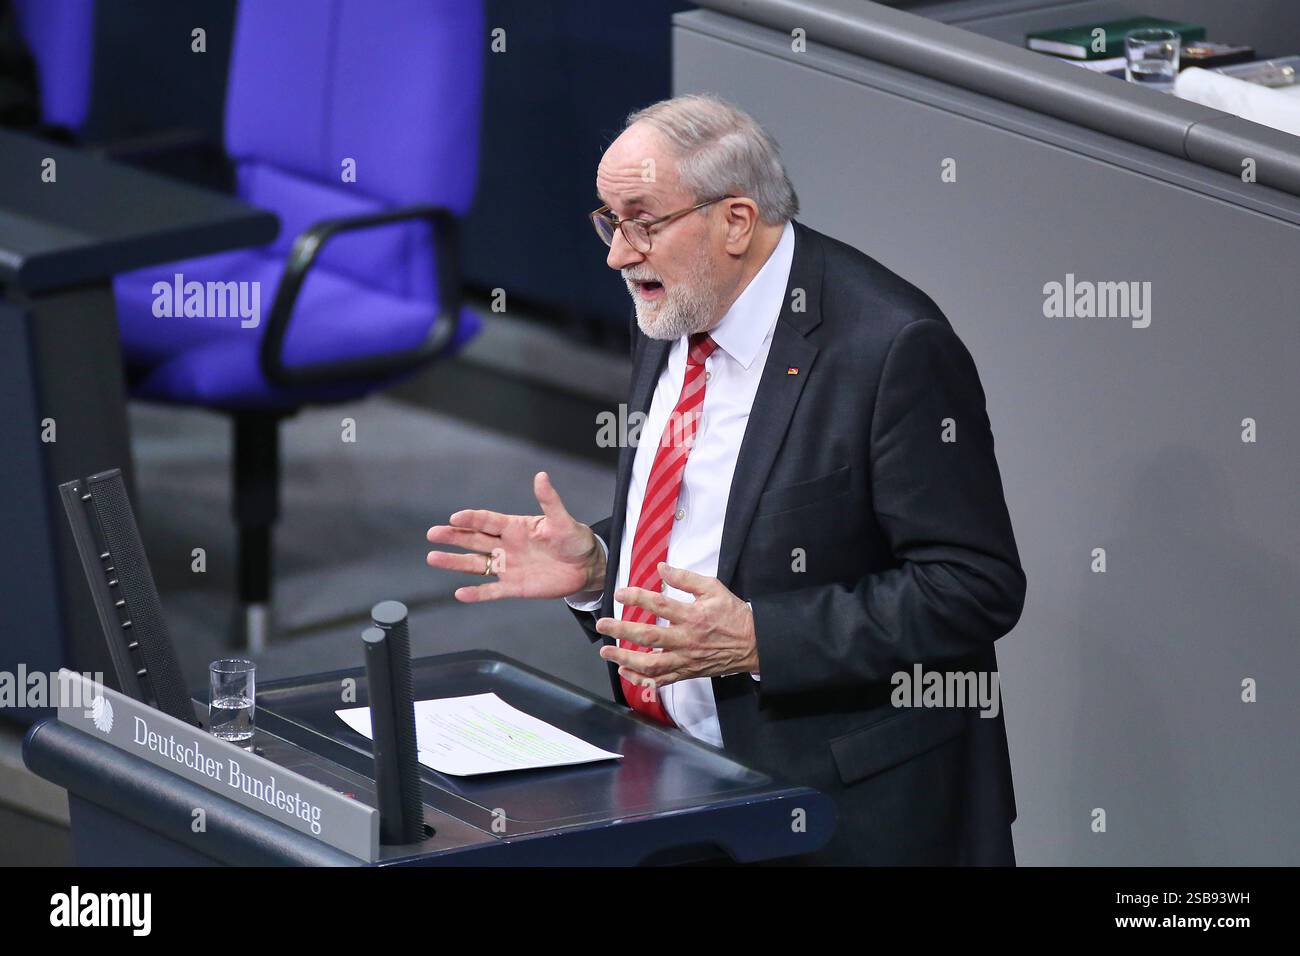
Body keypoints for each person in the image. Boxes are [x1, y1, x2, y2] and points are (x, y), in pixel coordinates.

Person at [426, 93, 1026, 865]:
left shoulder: (892, 348)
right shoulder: (674, 305)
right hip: (680, 785)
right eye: (608, 221)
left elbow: (973, 586)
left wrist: (756, 639)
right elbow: (722, 527)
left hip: (849, 815)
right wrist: (600, 570)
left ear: (736, 221)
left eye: (641, 220)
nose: (617, 253)